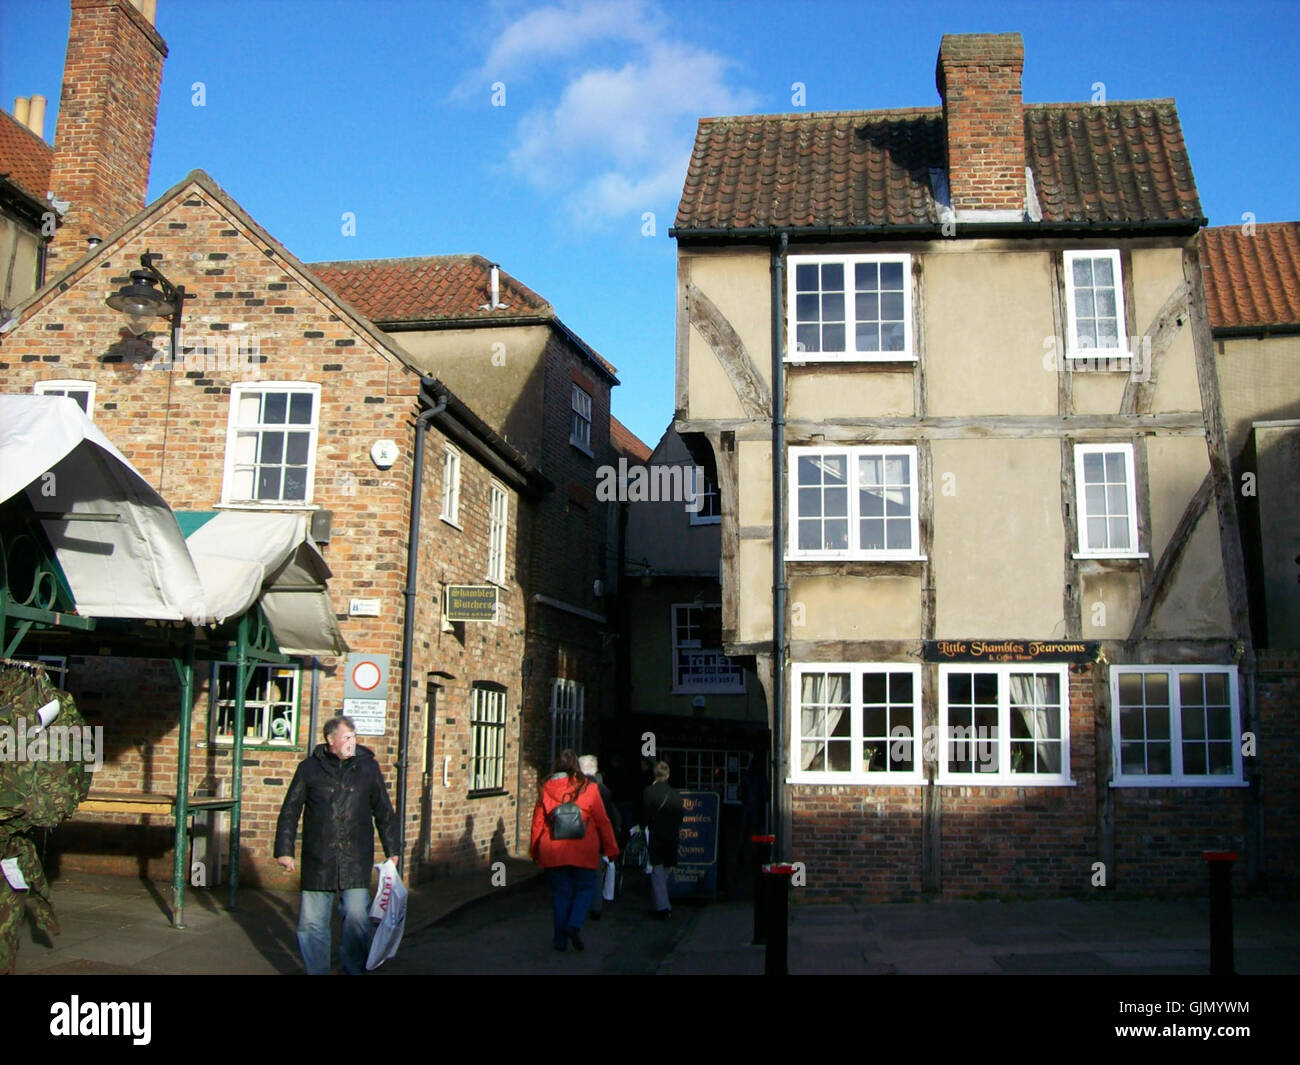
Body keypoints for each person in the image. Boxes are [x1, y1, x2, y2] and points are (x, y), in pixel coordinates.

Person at [274, 715, 399, 975]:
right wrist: (285, 850)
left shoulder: (368, 768)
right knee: (311, 924)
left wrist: (393, 851)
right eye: (346, 737)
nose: (351, 742)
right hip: (318, 858)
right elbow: (290, 811)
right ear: (331, 740)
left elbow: (384, 812)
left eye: (354, 737)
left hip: (355, 858)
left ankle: (353, 968)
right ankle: (317, 971)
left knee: (356, 918)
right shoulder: (309, 769)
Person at [531, 749, 619, 952]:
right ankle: (574, 925)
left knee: (561, 894)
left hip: (553, 849)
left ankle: (559, 940)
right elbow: (602, 822)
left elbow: (537, 823)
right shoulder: (589, 788)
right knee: (585, 889)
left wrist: (535, 850)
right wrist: (611, 848)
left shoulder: (545, 788)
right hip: (583, 848)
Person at [579, 753, 621, 919]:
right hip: (595, 840)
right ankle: (595, 906)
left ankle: (579, 906)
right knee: (596, 874)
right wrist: (611, 845)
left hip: (577, 837)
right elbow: (607, 820)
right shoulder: (603, 790)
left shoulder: (576, 788)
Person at [641, 759, 684, 919]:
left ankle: (663, 908)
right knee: (663, 872)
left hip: (657, 835)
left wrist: (643, 826)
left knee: (657, 871)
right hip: (672, 836)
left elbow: (645, 815)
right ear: (668, 775)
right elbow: (680, 816)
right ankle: (659, 904)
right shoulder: (675, 794)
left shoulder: (649, 792)